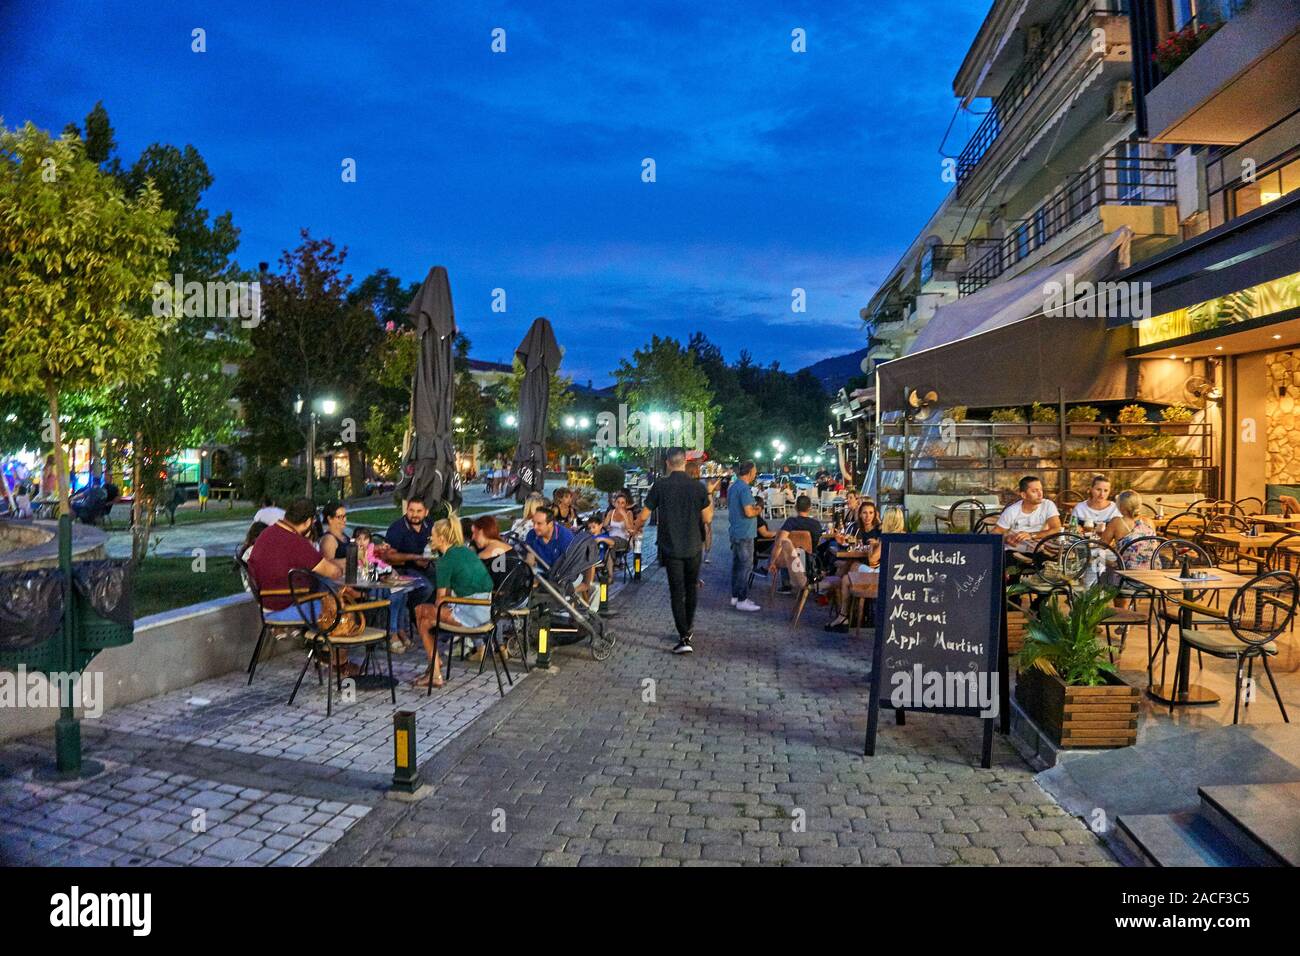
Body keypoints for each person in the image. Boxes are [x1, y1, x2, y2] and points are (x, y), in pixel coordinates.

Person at [247, 497, 355, 675]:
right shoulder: (296, 543)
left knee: (324, 588)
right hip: (282, 608)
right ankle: (338, 663)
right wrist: (344, 564)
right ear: (307, 522)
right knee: (339, 608)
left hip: (268, 602)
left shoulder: (268, 533)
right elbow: (333, 572)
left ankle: (324, 652)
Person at [638, 448, 712, 654]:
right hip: (693, 545)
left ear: (668, 463)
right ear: (685, 462)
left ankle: (684, 636)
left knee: (676, 592)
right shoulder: (697, 487)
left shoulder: (661, 485)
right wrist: (710, 494)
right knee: (691, 589)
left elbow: (644, 515)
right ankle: (688, 628)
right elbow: (707, 518)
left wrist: (635, 528)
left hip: (671, 547)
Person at [411, 518, 496, 689]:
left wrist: (445, 602)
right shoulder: (465, 551)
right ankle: (435, 666)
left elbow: (441, 600)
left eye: (432, 536)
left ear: (442, 538)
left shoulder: (446, 560)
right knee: (425, 619)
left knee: (420, 611)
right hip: (486, 609)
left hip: (470, 614)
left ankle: (435, 671)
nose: (430, 539)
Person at [376, 499, 435, 610]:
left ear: (426, 512)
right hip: (403, 569)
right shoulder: (397, 528)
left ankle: (429, 618)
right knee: (427, 588)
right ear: (406, 510)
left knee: (445, 583)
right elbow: (388, 556)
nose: (415, 515)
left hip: (426, 566)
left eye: (419, 511)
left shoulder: (430, 524)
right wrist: (414, 558)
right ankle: (409, 614)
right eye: (411, 510)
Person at [727, 460, 763, 612]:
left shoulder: (733, 486)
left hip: (736, 531)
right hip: (744, 533)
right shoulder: (744, 488)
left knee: (737, 566)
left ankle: (735, 596)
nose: (755, 474)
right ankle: (742, 599)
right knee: (745, 566)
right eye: (754, 472)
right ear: (749, 472)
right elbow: (748, 512)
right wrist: (758, 509)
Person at [771, 495, 824, 595]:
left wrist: (773, 560)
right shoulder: (816, 524)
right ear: (810, 508)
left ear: (795, 507)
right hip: (808, 560)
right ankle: (814, 582)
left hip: (790, 561)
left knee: (784, 550)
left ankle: (786, 584)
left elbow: (780, 542)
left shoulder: (791, 522)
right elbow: (818, 542)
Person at [995, 476, 1062, 554]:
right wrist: (1006, 538)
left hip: (1038, 550)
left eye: (1041, 490)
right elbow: (995, 533)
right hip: (1013, 551)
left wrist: (1031, 535)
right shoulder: (1011, 511)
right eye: (1034, 491)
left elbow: (1056, 528)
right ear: (1024, 495)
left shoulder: (1048, 505)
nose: (1040, 494)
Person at [524, 505, 574, 570]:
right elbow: (530, 556)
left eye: (539, 523)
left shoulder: (565, 537)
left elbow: (570, 565)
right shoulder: (531, 534)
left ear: (550, 524)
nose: (535, 527)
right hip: (541, 573)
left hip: (562, 573)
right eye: (533, 522)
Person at [317, 501, 349, 570]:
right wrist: (352, 558)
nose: (345, 519)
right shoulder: (329, 539)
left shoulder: (343, 535)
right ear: (329, 519)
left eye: (345, 516)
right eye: (340, 517)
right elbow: (327, 563)